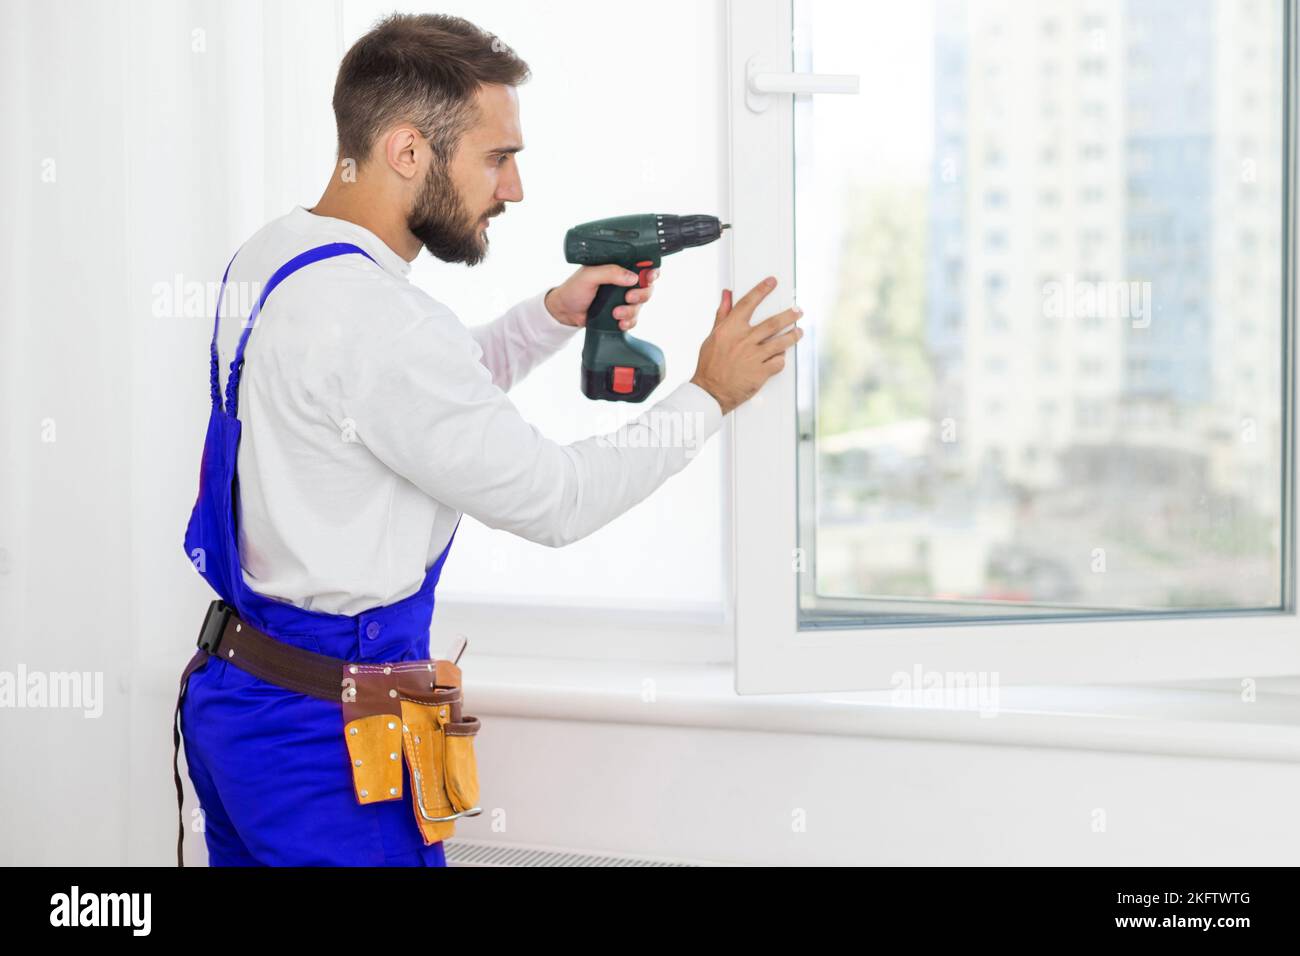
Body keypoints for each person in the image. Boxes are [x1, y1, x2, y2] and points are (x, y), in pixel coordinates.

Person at [174, 11, 803, 866]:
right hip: (331, 746)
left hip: (242, 705)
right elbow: (558, 501)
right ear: (406, 151)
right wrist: (709, 394)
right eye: (497, 157)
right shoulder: (382, 322)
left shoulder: (277, 255)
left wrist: (548, 317)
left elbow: (402, 412)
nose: (513, 190)